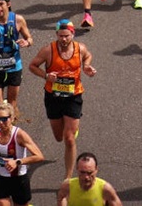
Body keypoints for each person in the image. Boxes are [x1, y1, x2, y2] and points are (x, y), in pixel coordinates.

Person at [28, 19, 98, 179]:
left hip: (74, 96)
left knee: (69, 139)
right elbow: (32, 66)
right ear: (56, 35)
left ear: (73, 34)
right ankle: (70, 130)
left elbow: (88, 55)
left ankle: (68, 177)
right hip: (53, 97)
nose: (64, 39)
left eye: (67, 36)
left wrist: (86, 66)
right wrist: (46, 76)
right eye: (61, 36)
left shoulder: (80, 48)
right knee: (59, 137)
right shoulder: (48, 50)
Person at [0, 102, 45, 206]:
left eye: (4, 119)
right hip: (0, 179)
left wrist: (17, 162)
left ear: (12, 118)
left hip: (19, 180)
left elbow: (39, 156)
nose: (0, 123)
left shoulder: (20, 135)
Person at [57, 152, 124, 206]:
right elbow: (61, 198)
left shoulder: (105, 189)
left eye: (89, 173)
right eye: (82, 172)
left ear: (96, 170)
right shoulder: (67, 186)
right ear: (77, 169)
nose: (86, 177)